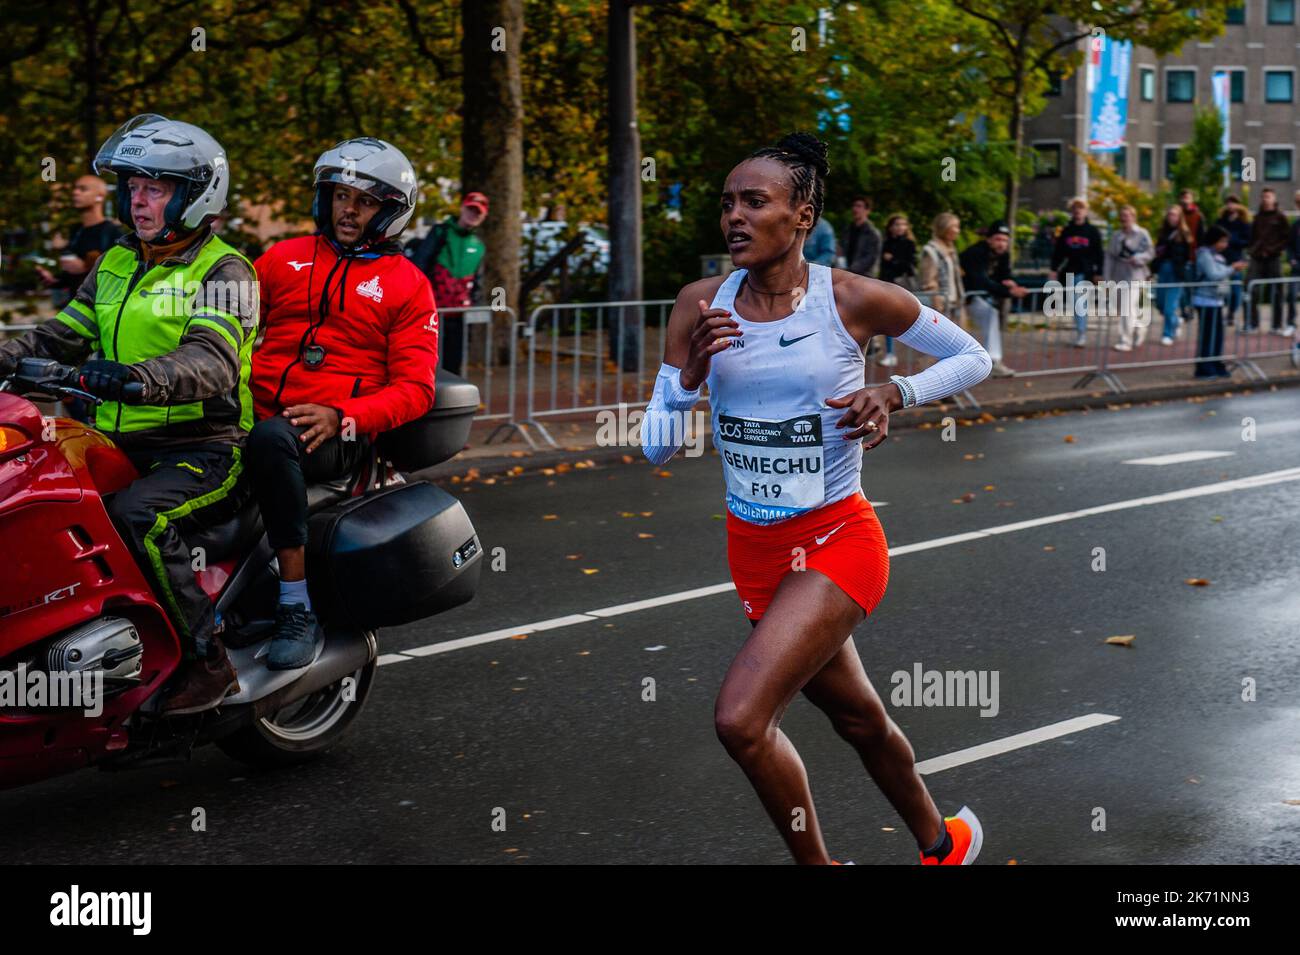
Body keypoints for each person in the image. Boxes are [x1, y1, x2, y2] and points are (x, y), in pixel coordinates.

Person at [642, 131, 991, 865]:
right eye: (728, 202)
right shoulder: (698, 305)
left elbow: (974, 356)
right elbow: (656, 446)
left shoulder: (851, 299)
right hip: (755, 549)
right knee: (860, 720)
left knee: (740, 719)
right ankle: (945, 842)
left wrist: (896, 389)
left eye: (755, 201)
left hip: (838, 538)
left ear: (801, 214)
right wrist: (690, 371)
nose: (734, 216)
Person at [0, 114, 258, 714]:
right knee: (34, 497)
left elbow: (211, 360)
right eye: (133, 187)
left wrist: (138, 380)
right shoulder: (117, 261)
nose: (138, 200)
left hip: (206, 449)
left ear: (195, 195)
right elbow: (60, 334)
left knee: (136, 518)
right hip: (114, 441)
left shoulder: (224, 270)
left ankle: (207, 662)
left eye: (156, 188)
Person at [248, 137, 438, 668]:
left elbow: (417, 390)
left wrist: (342, 417)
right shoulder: (281, 260)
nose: (348, 210)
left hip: (335, 437)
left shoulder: (408, 285)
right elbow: (223, 334)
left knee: (271, 441)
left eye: (366, 200)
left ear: (392, 212)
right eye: (339, 196)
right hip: (254, 414)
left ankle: (295, 605)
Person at [407, 192, 487, 374]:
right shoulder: (440, 232)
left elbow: (477, 284)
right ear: (462, 208)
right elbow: (420, 266)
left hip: (459, 318)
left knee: (453, 367)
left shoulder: (479, 246)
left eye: (478, 212)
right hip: (432, 315)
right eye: (470, 209)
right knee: (426, 365)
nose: (473, 215)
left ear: (483, 217)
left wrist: (474, 310)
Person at [36, 175, 123, 310]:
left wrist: (85, 267)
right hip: (76, 310)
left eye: (83, 189)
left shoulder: (112, 233)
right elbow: (70, 277)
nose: (75, 193)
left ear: (100, 196)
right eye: (75, 189)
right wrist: (54, 279)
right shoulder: (76, 231)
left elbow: (119, 274)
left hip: (100, 311)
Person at [960, 220, 1027, 376]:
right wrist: (1009, 292)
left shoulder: (1003, 255)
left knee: (991, 315)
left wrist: (1011, 284)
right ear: (989, 239)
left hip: (978, 296)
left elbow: (1004, 275)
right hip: (963, 297)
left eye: (1005, 240)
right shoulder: (975, 253)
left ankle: (992, 361)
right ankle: (966, 369)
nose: (1001, 243)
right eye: (998, 239)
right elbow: (981, 280)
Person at [1190, 225, 1246, 379]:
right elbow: (1214, 274)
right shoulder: (1204, 254)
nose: (1225, 245)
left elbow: (1221, 274)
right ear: (1213, 240)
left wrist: (1231, 270)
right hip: (1205, 300)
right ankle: (1204, 367)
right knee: (1207, 335)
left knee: (1217, 336)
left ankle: (1216, 363)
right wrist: (1231, 269)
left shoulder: (1218, 256)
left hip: (1216, 300)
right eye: (1222, 241)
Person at [1048, 198, 1104, 348]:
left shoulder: (1092, 232)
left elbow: (1099, 253)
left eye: (1081, 208)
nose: (1078, 211)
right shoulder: (1067, 231)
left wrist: (1099, 272)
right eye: (1075, 208)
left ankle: (1081, 332)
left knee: (1080, 302)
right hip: (1070, 271)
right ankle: (1080, 330)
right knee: (1074, 302)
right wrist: (1054, 269)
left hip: (1085, 272)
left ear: (1085, 211)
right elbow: (1058, 252)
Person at [1104, 204, 1155, 352]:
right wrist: (1107, 279)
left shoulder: (1142, 233)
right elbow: (1109, 257)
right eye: (1122, 215)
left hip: (1136, 275)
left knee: (1127, 307)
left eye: (1127, 215)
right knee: (1124, 308)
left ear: (1133, 217)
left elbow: (1150, 252)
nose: (1123, 218)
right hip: (1119, 275)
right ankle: (1139, 328)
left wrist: (1138, 258)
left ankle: (1125, 340)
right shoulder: (1116, 235)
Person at [874, 214, 918, 367]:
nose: (900, 227)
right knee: (886, 319)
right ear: (890, 227)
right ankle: (890, 353)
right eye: (897, 224)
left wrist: (892, 259)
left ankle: (911, 356)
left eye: (903, 224)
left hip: (903, 287)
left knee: (902, 320)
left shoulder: (909, 244)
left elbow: (910, 266)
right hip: (886, 285)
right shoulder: (885, 244)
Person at [1246, 187, 1291, 334]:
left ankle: (1276, 325)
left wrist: (1273, 250)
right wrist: (1252, 251)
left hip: (1273, 258)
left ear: (1274, 199)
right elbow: (1252, 236)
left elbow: (1286, 238)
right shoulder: (1257, 217)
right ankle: (1252, 323)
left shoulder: (1280, 217)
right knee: (1251, 288)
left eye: (1268, 196)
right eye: (1263, 196)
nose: (1265, 199)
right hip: (1257, 258)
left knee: (1277, 291)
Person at [1151, 204, 1193, 345]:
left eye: (1174, 215)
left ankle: (1167, 333)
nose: (1172, 217)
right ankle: (1176, 321)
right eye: (1170, 214)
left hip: (1177, 272)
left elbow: (1188, 255)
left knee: (1170, 306)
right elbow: (1157, 251)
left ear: (1179, 217)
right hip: (1163, 269)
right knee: (1160, 304)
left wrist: (1183, 270)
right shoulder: (1162, 232)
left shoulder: (1184, 234)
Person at [918, 212, 966, 328]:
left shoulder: (951, 250)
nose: (957, 231)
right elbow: (928, 282)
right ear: (944, 228)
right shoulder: (931, 251)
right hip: (940, 306)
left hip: (954, 304)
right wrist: (938, 306)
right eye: (954, 227)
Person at [1215, 195, 1251, 327]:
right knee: (1222, 289)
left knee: (1236, 290)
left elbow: (1248, 241)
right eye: (1228, 203)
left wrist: (1233, 241)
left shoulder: (1243, 223)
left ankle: (1231, 313)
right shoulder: (1221, 221)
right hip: (1221, 259)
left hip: (1236, 259)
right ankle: (1220, 313)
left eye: (1233, 203)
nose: (1230, 206)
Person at [840, 196, 881, 278]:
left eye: (859, 206)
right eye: (854, 206)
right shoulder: (848, 230)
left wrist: (850, 269)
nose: (855, 209)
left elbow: (870, 258)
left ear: (867, 211)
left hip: (865, 277)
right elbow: (842, 252)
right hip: (846, 275)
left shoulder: (872, 233)